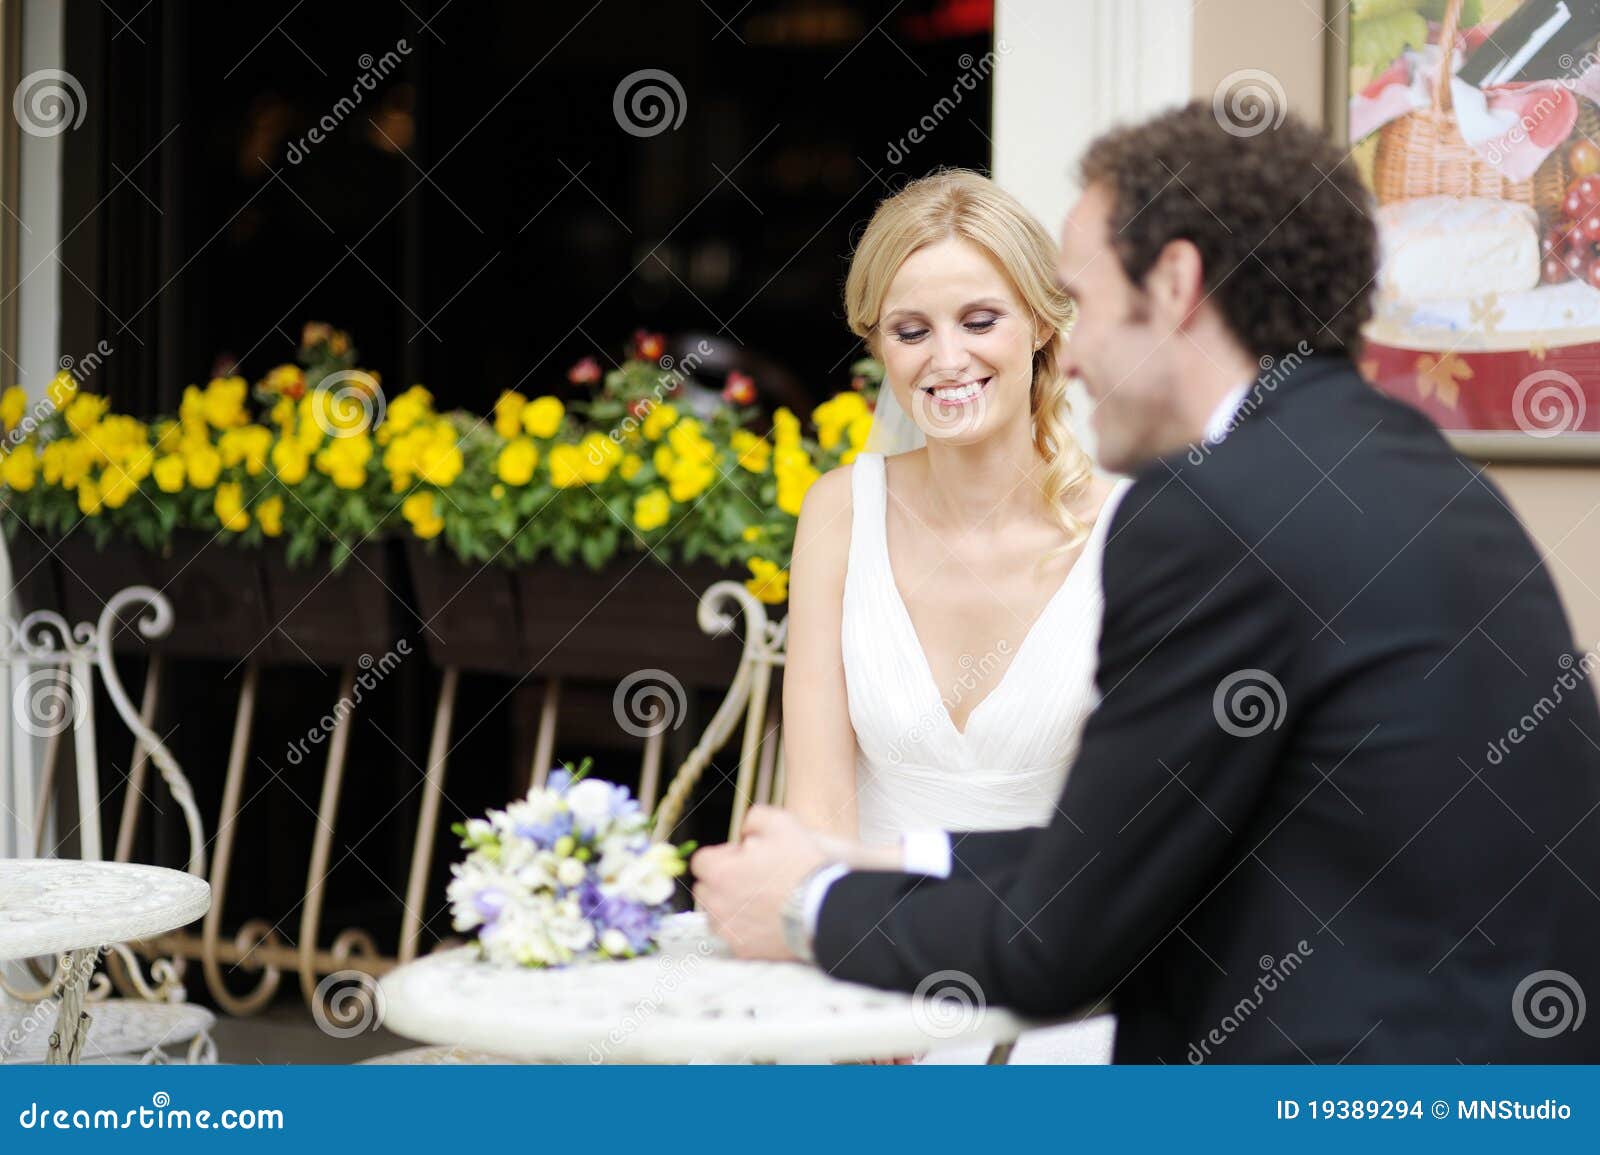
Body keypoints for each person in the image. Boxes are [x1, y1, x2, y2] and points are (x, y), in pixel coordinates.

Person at [692, 101, 1600, 1063]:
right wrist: (890, 859)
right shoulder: (1418, 469)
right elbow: (1126, 846)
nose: (1070, 355)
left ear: (1172, 285)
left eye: (1082, 301)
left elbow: (1057, 944)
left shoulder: (1206, 513)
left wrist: (809, 905)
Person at [782, 171, 1122, 1062]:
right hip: (862, 974)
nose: (945, 359)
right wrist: (859, 985)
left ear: (1044, 324)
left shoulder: (1134, 531)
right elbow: (817, 802)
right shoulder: (838, 512)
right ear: (879, 345)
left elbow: (1125, 842)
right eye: (911, 330)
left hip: (1061, 989)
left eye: (980, 321)